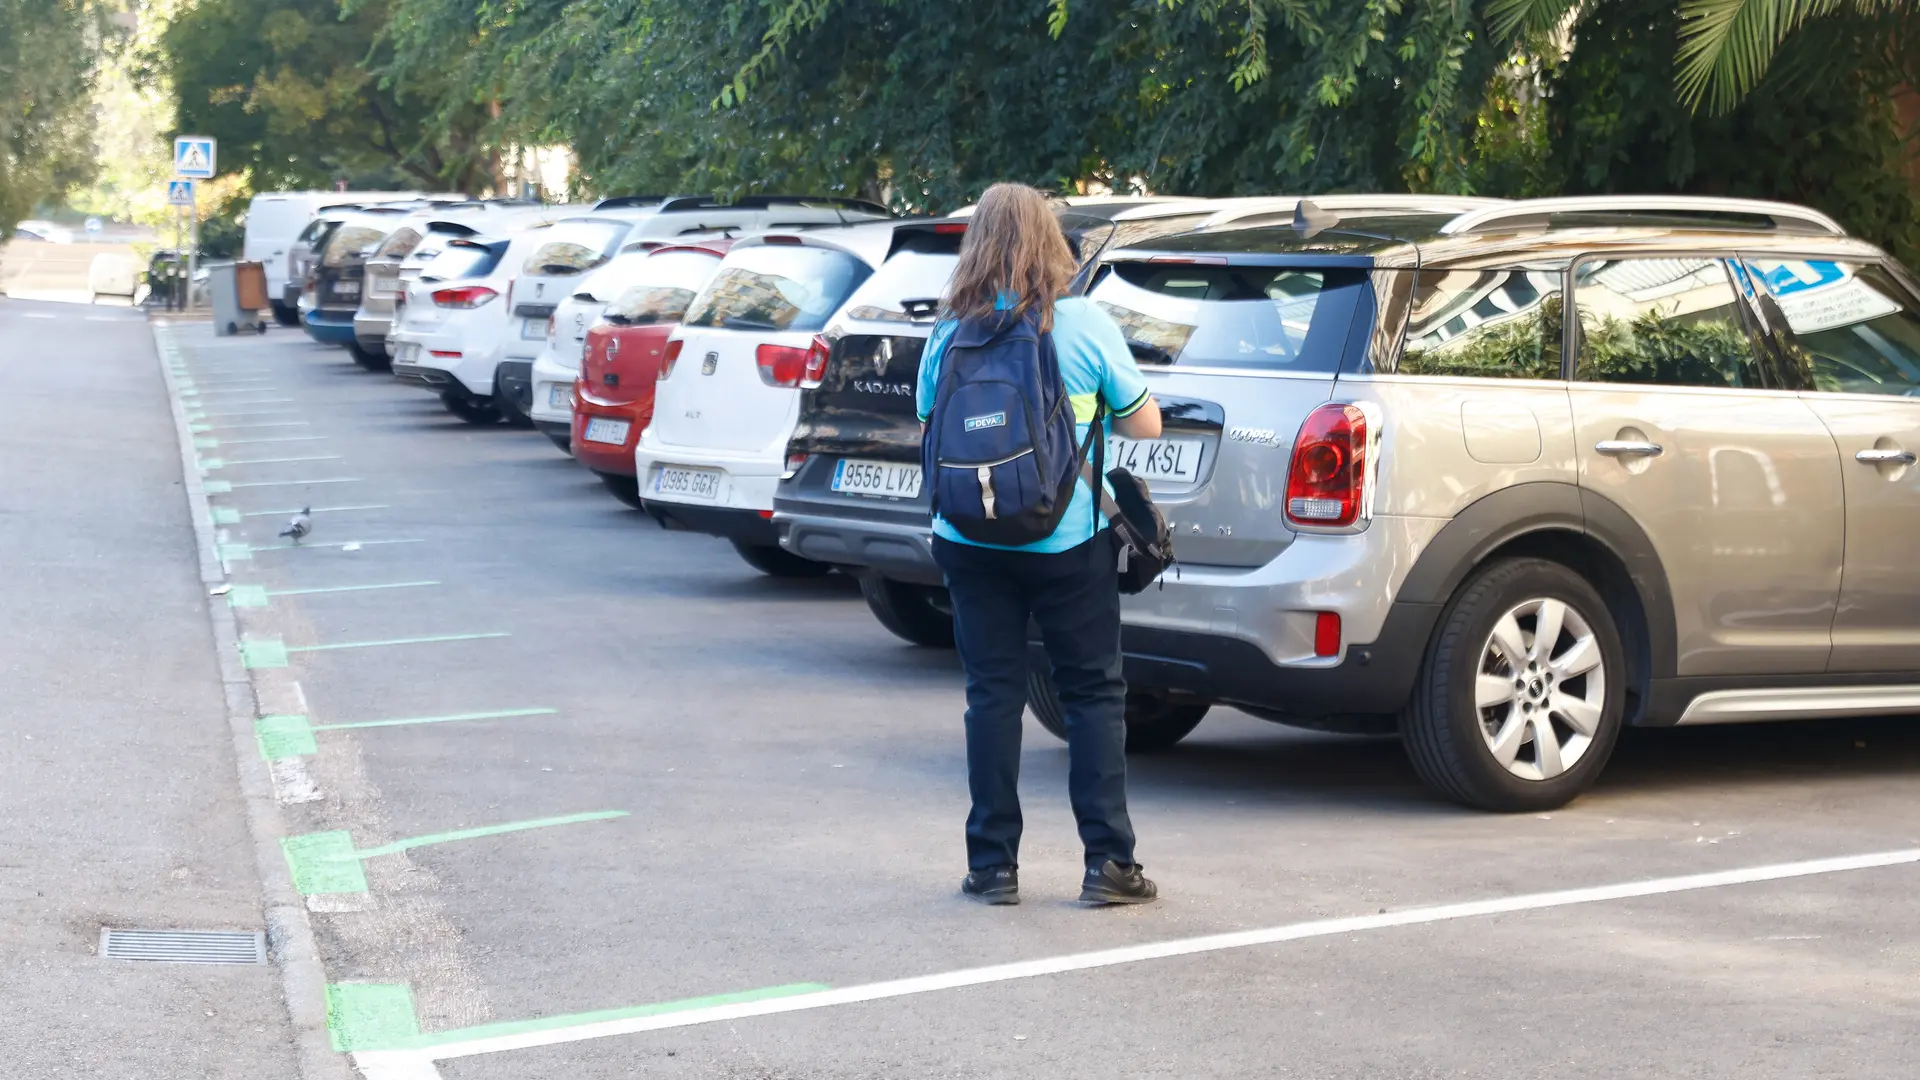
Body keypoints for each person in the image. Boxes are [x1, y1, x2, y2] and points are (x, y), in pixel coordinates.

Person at [916, 182, 1164, 906]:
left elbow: (929, 422)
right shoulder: (1082, 323)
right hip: (1065, 539)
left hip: (965, 536)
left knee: (990, 696)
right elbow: (1143, 424)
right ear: (1052, 242)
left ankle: (992, 866)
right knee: (1091, 694)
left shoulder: (947, 331)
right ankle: (1109, 865)